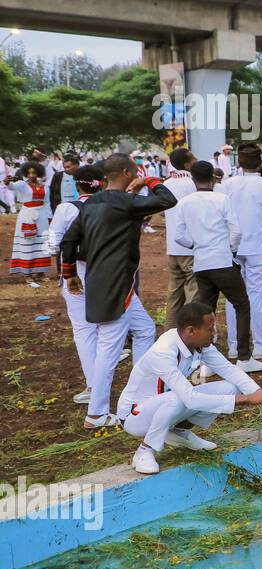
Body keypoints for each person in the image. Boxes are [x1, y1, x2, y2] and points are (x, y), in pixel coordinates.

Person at [59, 153, 177, 428]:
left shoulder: (91, 203)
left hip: (100, 278)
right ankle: (96, 414)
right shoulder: (126, 202)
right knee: (108, 350)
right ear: (127, 171)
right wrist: (147, 180)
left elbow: (68, 240)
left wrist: (69, 275)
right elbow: (167, 199)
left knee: (145, 329)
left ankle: (141, 394)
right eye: (134, 172)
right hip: (115, 283)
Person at [118, 301, 262, 474]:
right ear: (191, 331)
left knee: (230, 387)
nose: (214, 333)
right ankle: (144, 451)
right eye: (210, 329)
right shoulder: (163, 351)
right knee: (179, 398)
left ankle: (179, 433)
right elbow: (190, 398)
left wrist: (258, 393)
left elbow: (229, 370)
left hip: (165, 405)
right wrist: (247, 399)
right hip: (134, 416)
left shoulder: (198, 344)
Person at [172, 161, 262, 372]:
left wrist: (195, 244)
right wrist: (230, 249)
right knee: (241, 305)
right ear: (213, 178)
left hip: (201, 264)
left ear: (192, 180)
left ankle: (207, 361)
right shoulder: (222, 199)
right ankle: (244, 357)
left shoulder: (185, 203)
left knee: (206, 311)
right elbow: (236, 231)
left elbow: (178, 236)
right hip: (222, 260)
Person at [46, 165, 105, 404]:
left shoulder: (65, 208)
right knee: (109, 328)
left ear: (76, 184)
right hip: (107, 271)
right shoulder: (110, 206)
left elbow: (54, 243)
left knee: (84, 329)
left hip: (76, 271)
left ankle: (95, 386)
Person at [223, 144, 262, 360]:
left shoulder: (227, 184)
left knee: (233, 298)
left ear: (239, 162)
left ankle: (233, 346)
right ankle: (259, 345)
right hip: (257, 247)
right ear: (259, 163)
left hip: (232, 247)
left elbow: (224, 217)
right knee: (255, 297)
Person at [161, 148, 198, 329]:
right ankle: (190, 333)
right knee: (193, 293)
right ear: (187, 164)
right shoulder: (193, 184)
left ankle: (169, 334)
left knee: (174, 295)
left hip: (172, 248)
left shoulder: (166, 184)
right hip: (190, 248)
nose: (196, 159)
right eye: (193, 157)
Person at [9, 161, 53, 277]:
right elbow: (12, 187)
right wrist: (7, 182)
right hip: (27, 216)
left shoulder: (46, 187)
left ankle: (40, 272)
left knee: (42, 241)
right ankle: (26, 273)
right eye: (29, 173)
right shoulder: (22, 184)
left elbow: (47, 203)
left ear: (38, 173)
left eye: (34, 173)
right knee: (27, 241)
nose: (31, 175)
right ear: (25, 173)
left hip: (42, 216)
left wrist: (50, 218)